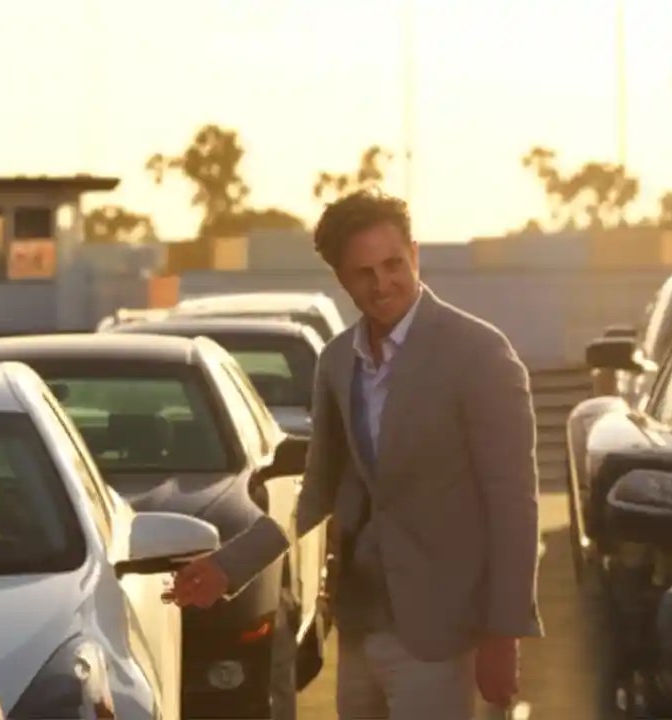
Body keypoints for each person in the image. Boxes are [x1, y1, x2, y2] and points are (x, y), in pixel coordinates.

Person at [168, 191, 543, 718]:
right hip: (361, 624)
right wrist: (230, 566)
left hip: (445, 632)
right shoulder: (338, 361)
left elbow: (514, 506)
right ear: (342, 279)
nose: (382, 282)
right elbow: (318, 489)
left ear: (414, 254)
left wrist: (504, 634)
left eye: (393, 264)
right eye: (363, 272)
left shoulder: (479, 355)